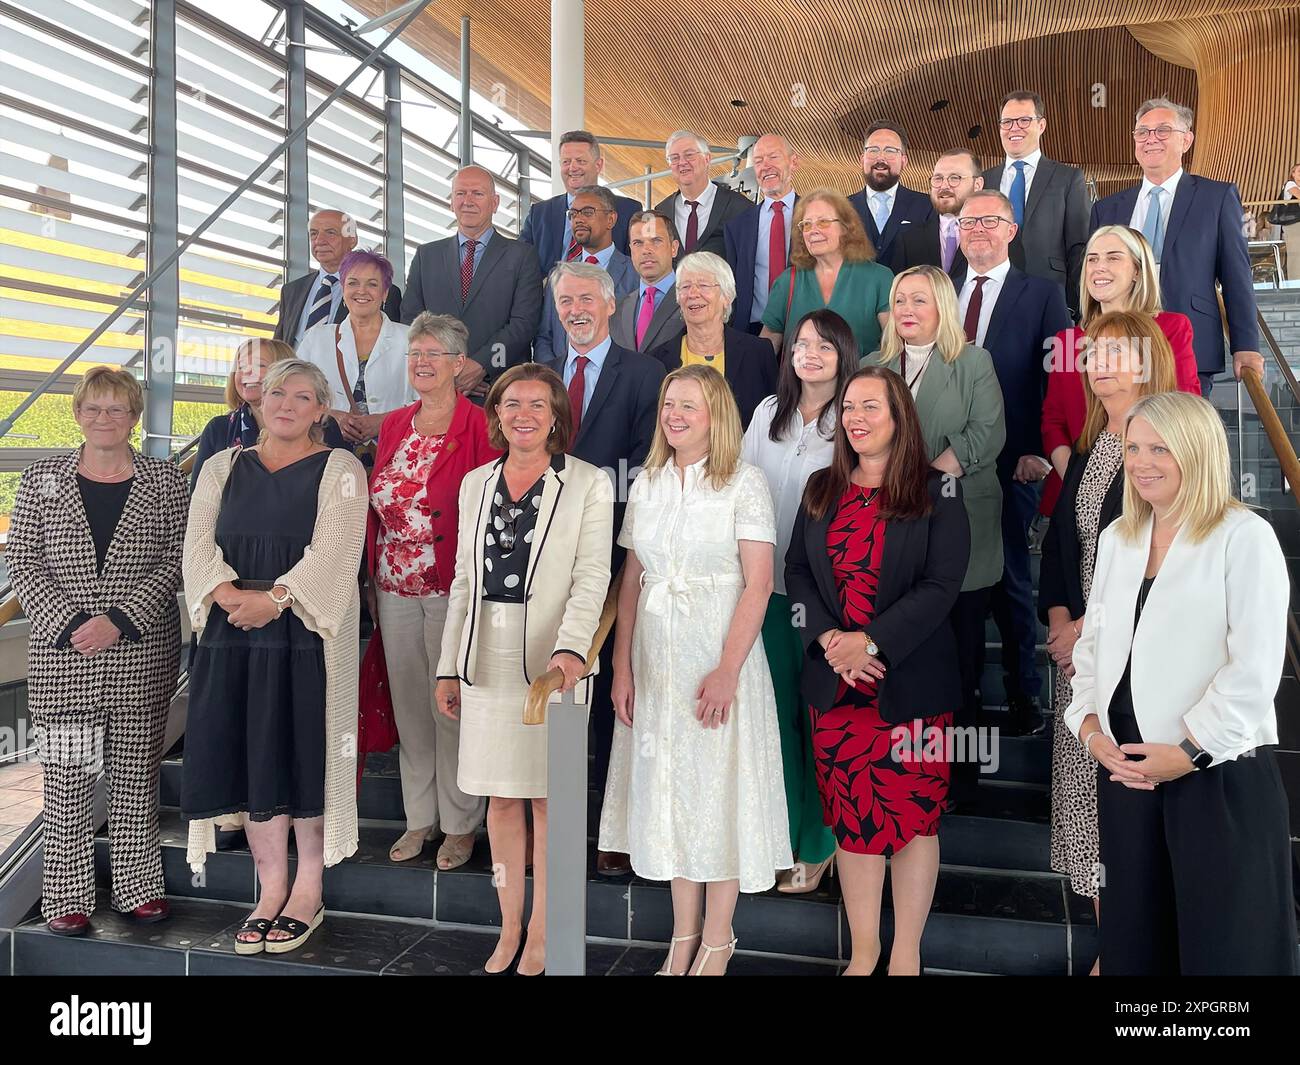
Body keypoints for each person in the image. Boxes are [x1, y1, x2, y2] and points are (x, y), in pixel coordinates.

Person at [1064, 392, 1297, 975]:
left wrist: (1189, 752)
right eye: (1134, 447)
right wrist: (1091, 731)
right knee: (1137, 948)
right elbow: (1092, 649)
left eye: (1160, 448)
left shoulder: (1245, 537)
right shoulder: (1119, 536)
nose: (1141, 462)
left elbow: (1253, 673)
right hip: (1127, 779)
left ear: (1196, 450)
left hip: (1215, 780)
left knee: (1226, 953)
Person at [599, 364, 791, 976]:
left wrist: (728, 670)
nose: (675, 415)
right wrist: (622, 667)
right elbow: (631, 581)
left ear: (718, 416)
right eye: (668, 404)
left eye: (690, 405)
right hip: (656, 658)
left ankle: (716, 938)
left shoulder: (745, 482)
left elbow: (758, 584)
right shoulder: (650, 480)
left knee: (718, 794)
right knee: (670, 796)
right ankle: (681, 936)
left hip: (718, 652)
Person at [785, 367, 969, 975]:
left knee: (914, 823)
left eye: (872, 406)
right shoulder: (820, 488)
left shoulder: (937, 490)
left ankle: (906, 956)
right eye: (850, 408)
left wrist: (873, 644)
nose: (857, 418)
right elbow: (797, 576)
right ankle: (865, 954)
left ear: (899, 417)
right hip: (835, 689)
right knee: (853, 823)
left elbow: (943, 586)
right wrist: (832, 639)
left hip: (910, 688)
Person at [182, 360, 368, 955]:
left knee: (302, 756)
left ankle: (307, 891)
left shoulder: (341, 469)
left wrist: (277, 599)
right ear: (258, 401)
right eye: (276, 393)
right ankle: (269, 891)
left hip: (303, 635)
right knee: (252, 758)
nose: (286, 404)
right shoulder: (220, 465)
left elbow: (338, 550)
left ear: (321, 408)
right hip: (231, 631)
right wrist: (229, 594)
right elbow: (197, 541)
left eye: (303, 396)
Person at [435, 363, 613, 977]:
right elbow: (461, 580)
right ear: (497, 414)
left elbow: (594, 578)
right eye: (513, 403)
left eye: (539, 405)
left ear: (557, 416)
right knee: (502, 803)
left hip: (555, 663)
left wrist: (571, 653)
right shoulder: (476, 483)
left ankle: (547, 928)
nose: (525, 415)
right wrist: (448, 665)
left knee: (551, 800)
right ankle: (510, 925)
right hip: (485, 654)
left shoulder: (588, 483)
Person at [7, 367, 187, 937]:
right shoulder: (40, 479)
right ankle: (66, 894)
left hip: (140, 655)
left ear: (134, 416)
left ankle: (139, 889)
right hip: (63, 659)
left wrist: (121, 620)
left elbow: (178, 557)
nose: (103, 418)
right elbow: (23, 560)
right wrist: (70, 624)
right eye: (92, 408)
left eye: (116, 409)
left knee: (136, 777)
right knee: (67, 778)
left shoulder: (165, 481)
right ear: (77, 412)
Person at [1038, 310, 1179, 973]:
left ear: (1149, 362)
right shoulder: (1098, 446)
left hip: (1138, 674)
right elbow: (1064, 549)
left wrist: (1093, 632)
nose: (1098, 364)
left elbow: (1168, 570)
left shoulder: (1170, 447)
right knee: (1092, 820)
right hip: (1085, 673)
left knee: (1129, 820)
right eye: (1093, 354)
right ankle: (1113, 950)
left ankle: (1133, 956)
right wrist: (1062, 619)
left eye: (1115, 354)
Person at [540, 259, 665, 877]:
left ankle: (605, 829)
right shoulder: (538, 376)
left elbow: (647, 468)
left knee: (608, 696)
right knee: (551, 689)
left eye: (586, 298)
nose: (576, 310)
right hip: (539, 566)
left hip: (615, 563)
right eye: (565, 300)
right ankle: (552, 829)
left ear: (612, 304)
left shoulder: (644, 374)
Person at [863, 266, 1005, 806]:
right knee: (902, 646)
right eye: (899, 299)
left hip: (956, 525)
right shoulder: (874, 366)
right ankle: (899, 767)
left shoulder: (972, 363)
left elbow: (986, 433)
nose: (906, 309)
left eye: (919, 299)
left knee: (958, 654)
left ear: (942, 307)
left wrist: (921, 482)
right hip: (888, 533)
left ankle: (956, 780)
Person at [364, 314, 499, 867]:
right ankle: (420, 819)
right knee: (411, 708)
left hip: (453, 588)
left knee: (453, 705)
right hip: (393, 586)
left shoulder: (480, 425)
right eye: (414, 353)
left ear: (458, 364)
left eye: (433, 354)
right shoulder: (395, 423)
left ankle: (462, 822)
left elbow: (492, 510)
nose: (421, 363)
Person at [741, 309, 856, 894]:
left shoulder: (854, 419)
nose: (809, 353)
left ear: (843, 354)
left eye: (823, 345)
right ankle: (779, 837)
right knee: (775, 723)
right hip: (764, 591)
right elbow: (737, 485)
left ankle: (818, 841)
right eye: (801, 343)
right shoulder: (767, 414)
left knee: (820, 724)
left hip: (824, 598)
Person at [954, 188, 1071, 736]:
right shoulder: (940, 289)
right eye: (966, 220)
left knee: (1010, 582)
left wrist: (1039, 451)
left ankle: (1027, 694)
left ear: (1011, 229)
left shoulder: (1042, 292)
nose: (976, 229)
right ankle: (964, 698)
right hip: (946, 462)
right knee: (955, 584)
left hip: (1013, 460)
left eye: (988, 220)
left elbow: (1057, 374)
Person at [1090, 97, 1262, 396]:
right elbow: (1095, 278)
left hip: (1190, 343)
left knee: (1181, 437)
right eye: (1142, 132)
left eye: (1162, 131)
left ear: (1187, 140)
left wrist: (1245, 344)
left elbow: (1236, 275)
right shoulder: (1106, 208)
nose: (1150, 139)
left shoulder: (1216, 197)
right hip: (1119, 348)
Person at [1040, 225, 1201, 515]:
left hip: (1149, 494)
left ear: (1138, 271)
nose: (1099, 267)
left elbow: (1185, 408)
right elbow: (1054, 423)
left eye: (1113, 258)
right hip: (1076, 495)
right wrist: (1080, 481)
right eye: (1092, 259)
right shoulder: (1067, 342)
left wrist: (1140, 482)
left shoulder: (1170, 329)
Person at [401, 165, 544, 396]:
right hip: (438, 389)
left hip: (497, 389)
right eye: (460, 193)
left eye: (477, 193)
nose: (468, 200)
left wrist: (481, 365)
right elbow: (411, 320)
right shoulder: (427, 255)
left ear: (495, 203)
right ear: (451, 201)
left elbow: (523, 324)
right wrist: (449, 371)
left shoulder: (522, 256)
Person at [981, 91, 1089, 318]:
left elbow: (1079, 247)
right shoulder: (984, 180)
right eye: (1007, 122)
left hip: (1050, 297)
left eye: (1023, 120)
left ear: (1041, 125)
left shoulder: (1068, 178)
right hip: (990, 298)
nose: (1014, 128)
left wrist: (1072, 304)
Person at [297, 249, 413, 457]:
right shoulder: (317, 338)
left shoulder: (411, 340)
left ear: (385, 292)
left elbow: (429, 400)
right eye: (353, 283)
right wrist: (331, 416)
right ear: (342, 289)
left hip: (397, 453)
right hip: (327, 453)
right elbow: (296, 394)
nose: (362, 291)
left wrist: (385, 421)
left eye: (372, 284)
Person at [645, 251, 777, 429]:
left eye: (703, 285)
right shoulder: (657, 361)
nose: (693, 293)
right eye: (685, 286)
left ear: (726, 296)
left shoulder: (758, 353)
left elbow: (774, 421)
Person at [761, 188, 893, 359]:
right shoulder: (787, 281)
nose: (813, 230)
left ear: (846, 228)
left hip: (858, 383)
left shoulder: (879, 279)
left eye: (823, 222)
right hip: (800, 384)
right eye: (806, 224)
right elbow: (768, 344)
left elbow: (893, 347)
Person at [533, 185, 638, 363]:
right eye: (573, 214)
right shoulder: (557, 275)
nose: (578, 219)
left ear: (611, 219)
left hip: (617, 379)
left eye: (587, 212)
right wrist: (554, 374)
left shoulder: (635, 273)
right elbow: (544, 336)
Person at [272, 209, 401, 345]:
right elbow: (279, 346)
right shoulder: (291, 290)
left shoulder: (380, 293)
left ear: (352, 240)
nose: (319, 241)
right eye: (314, 234)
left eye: (330, 233)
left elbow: (389, 347)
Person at [518, 129, 640, 270]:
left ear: (598, 165)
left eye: (580, 161)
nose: (573, 167)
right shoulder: (539, 213)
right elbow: (519, 261)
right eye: (566, 161)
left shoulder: (628, 210)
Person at [190, 337, 295, 489]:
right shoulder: (218, 429)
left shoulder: (318, 428)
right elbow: (198, 496)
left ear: (287, 373)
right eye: (241, 366)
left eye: (260, 365)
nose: (248, 372)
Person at [723, 134, 800, 333]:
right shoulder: (737, 227)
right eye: (758, 161)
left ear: (793, 162)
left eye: (773, 157)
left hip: (802, 330)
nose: (765, 166)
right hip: (750, 331)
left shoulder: (815, 216)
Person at [847, 122, 933, 269]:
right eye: (873, 150)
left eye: (890, 151)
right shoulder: (842, 209)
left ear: (904, 160)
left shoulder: (927, 206)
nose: (881, 158)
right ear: (862, 159)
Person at [654, 130, 752, 260]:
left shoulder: (739, 207)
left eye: (689, 155)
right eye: (674, 158)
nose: (682, 162)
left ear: (707, 159)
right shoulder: (661, 212)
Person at [892, 150, 983, 276]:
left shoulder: (995, 234)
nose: (944, 186)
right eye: (938, 178)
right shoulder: (908, 239)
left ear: (977, 184)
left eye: (954, 178)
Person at [609, 210, 684, 353]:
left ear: (673, 248)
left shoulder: (691, 300)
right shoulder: (618, 309)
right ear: (631, 250)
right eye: (638, 243)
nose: (646, 250)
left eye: (656, 241)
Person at [1282, 162, 1300, 282]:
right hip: (1293, 224)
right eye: (1299, 171)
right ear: (1292, 174)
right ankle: (1295, 282)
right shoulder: (1290, 184)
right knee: (1296, 254)